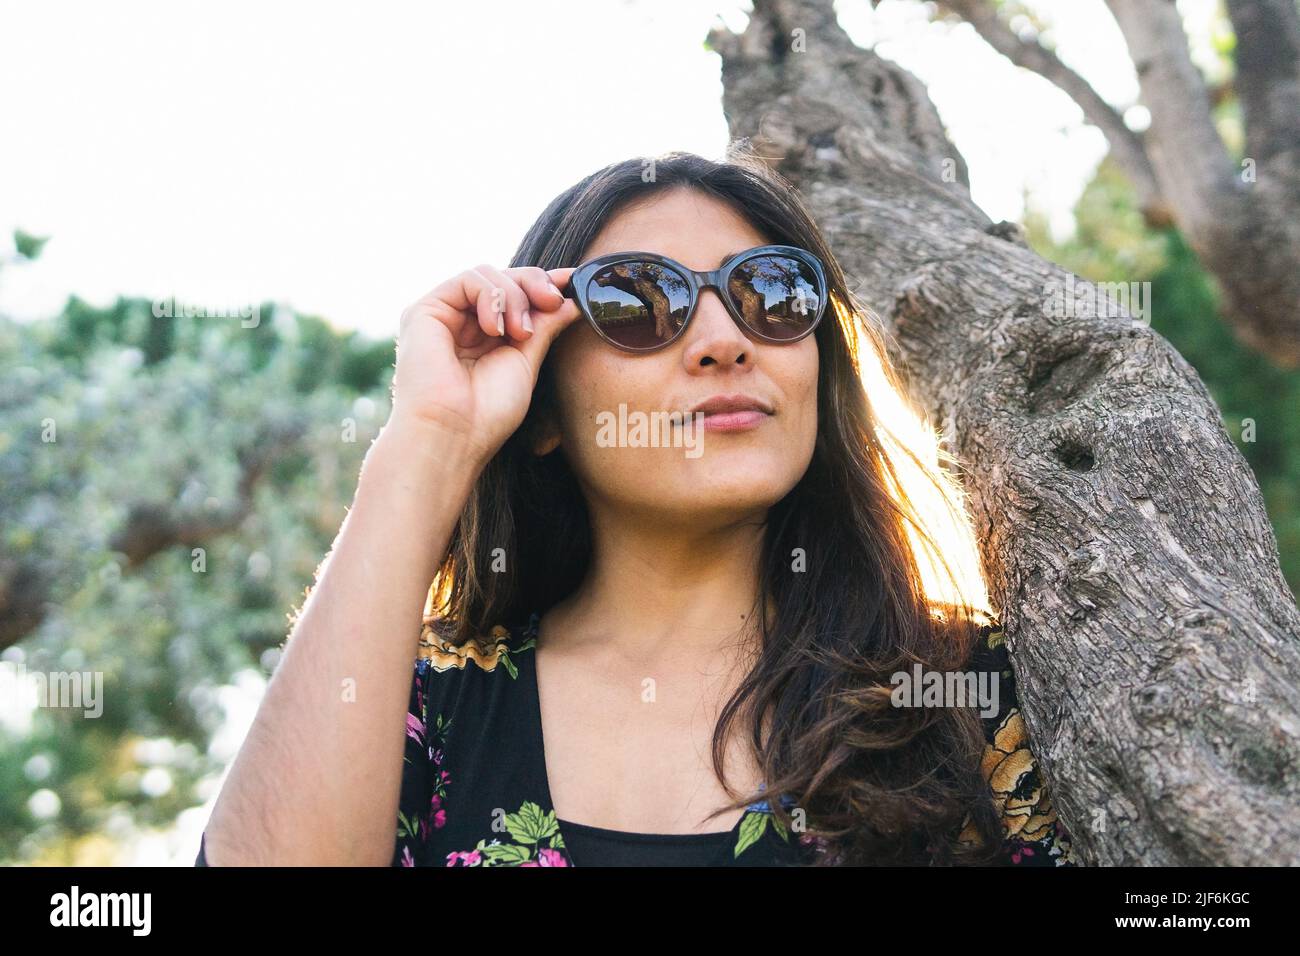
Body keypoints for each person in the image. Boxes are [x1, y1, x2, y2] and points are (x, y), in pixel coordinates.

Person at [196, 144, 1077, 867]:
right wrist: (429, 441)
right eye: (637, 302)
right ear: (543, 409)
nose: (725, 342)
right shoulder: (427, 709)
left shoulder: (973, 694)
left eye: (772, 293)